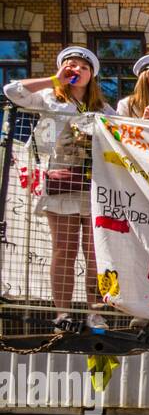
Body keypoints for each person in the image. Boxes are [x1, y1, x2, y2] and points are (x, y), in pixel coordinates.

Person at [3, 47, 114, 331]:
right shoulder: (49, 97)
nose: (77, 70)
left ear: (92, 75)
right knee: (64, 249)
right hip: (61, 180)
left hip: (94, 185)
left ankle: (95, 312)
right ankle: (62, 314)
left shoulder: (102, 108)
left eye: (83, 67)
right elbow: (11, 91)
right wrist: (54, 80)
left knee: (95, 252)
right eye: (71, 65)